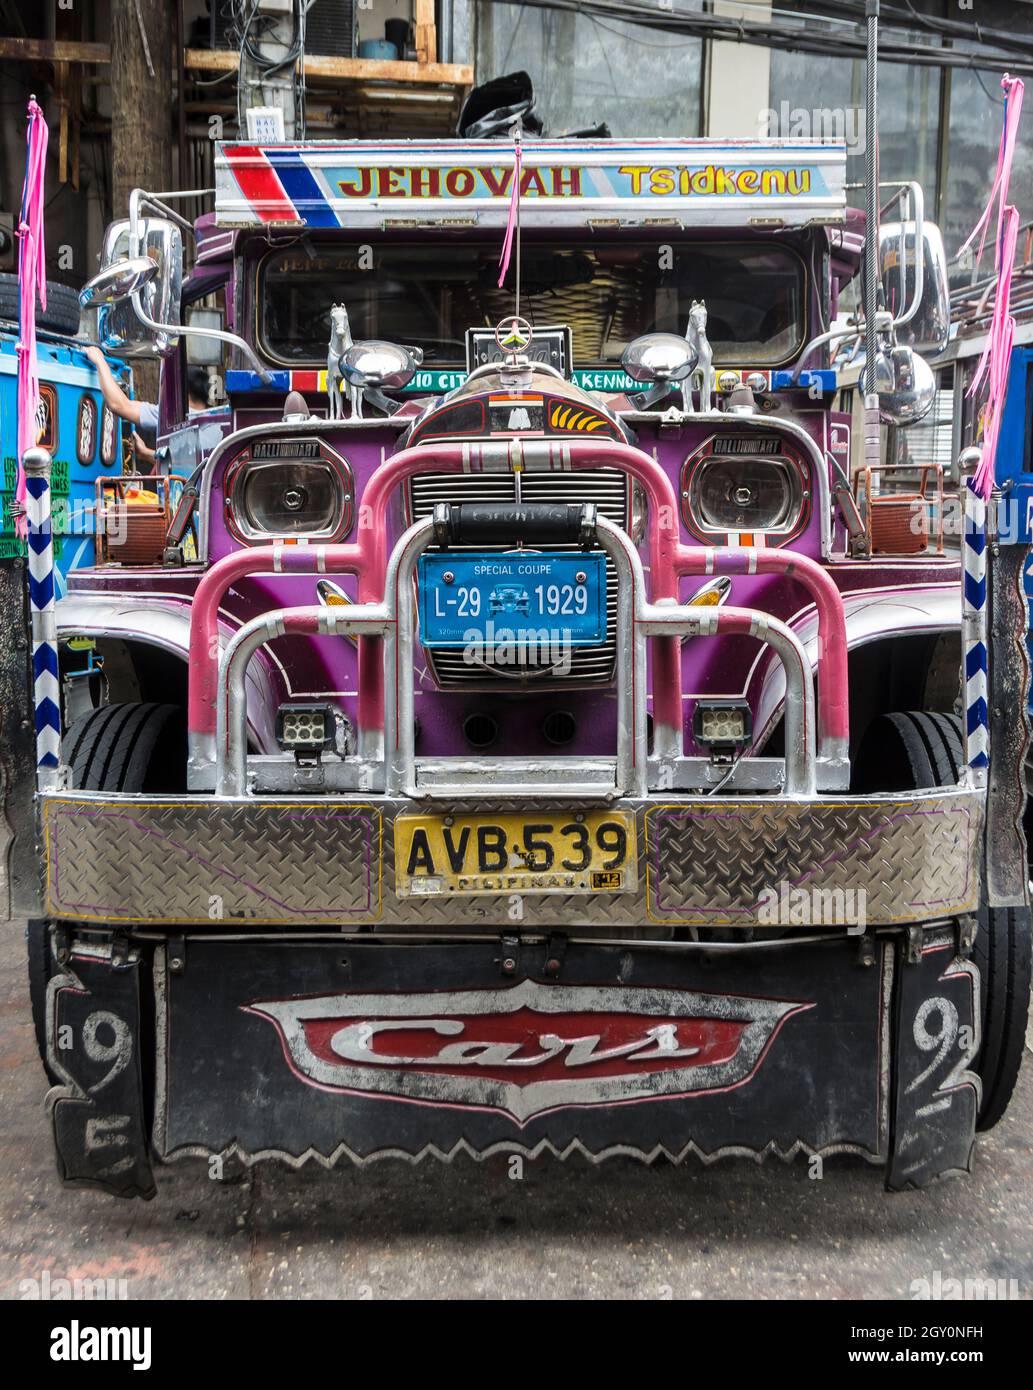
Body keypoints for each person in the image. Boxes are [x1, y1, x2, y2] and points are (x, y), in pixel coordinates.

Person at [85, 347, 209, 463]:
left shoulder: (174, 416)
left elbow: (119, 405)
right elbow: (181, 464)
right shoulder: (211, 423)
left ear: (177, 391)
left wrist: (100, 361)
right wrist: (145, 453)